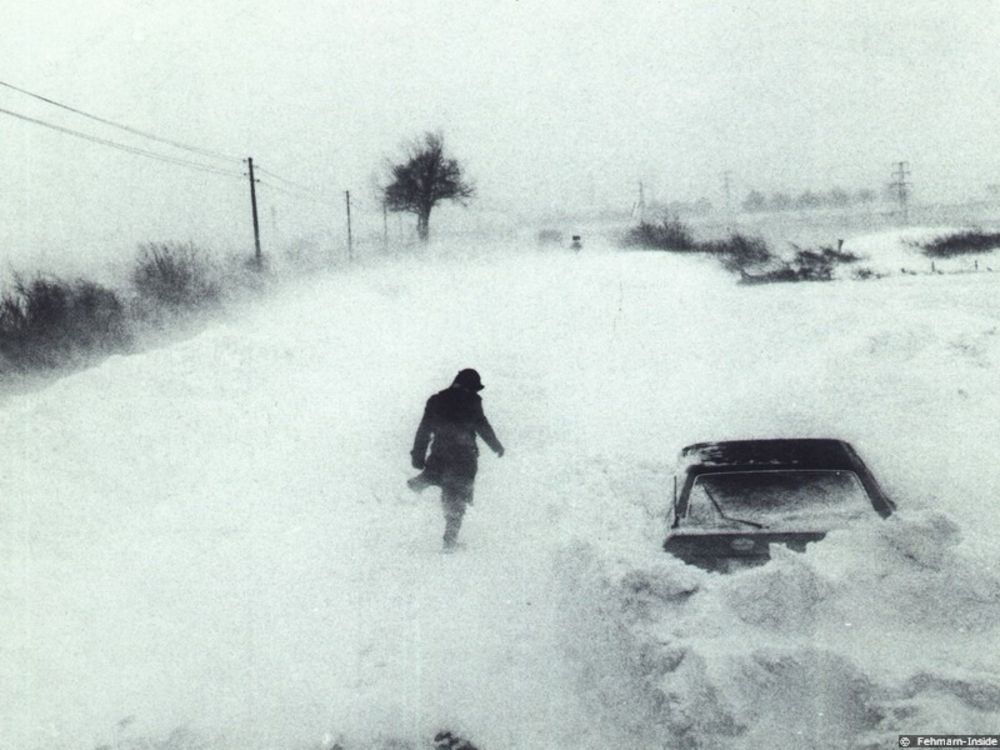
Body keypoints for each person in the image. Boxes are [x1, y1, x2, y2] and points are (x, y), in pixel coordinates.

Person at [408, 368, 504, 551]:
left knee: (436, 477)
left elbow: (424, 429)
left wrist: (418, 456)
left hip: (439, 455)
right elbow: (482, 426)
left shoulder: (436, 400)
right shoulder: (472, 402)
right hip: (463, 458)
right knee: (456, 500)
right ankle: (449, 542)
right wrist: (496, 446)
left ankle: (420, 482)